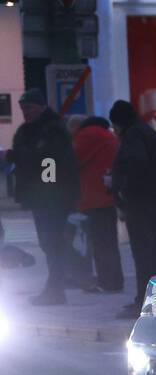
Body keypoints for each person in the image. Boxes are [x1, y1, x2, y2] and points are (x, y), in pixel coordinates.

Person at [7, 89, 79, 305]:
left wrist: (48, 193)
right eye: (23, 109)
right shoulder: (33, 129)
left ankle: (56, 288)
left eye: (28, 108)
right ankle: (57, 285)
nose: (25, 112)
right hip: (42, 197)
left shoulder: (51, 130)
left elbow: (49, 162)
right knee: (49, 242)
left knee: (52, 242)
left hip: (50, 198)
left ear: (40, 107)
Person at [109, 99, 156, 315]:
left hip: (140, 202)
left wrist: (122, 189)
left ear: (119, 122)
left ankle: (146, 302)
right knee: (154, 252)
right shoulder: (149, 132)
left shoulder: (133, 136)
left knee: (144, 254)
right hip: (155, 200)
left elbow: (135, 167)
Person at [71, 115, 124, 294]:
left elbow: (72, 160)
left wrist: (50, 177)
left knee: (101, 243)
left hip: (94, 197)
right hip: (107, 195)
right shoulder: (107, 134)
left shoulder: (87, 135)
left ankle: (106, 282)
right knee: (109, 242)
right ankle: (114, 281)